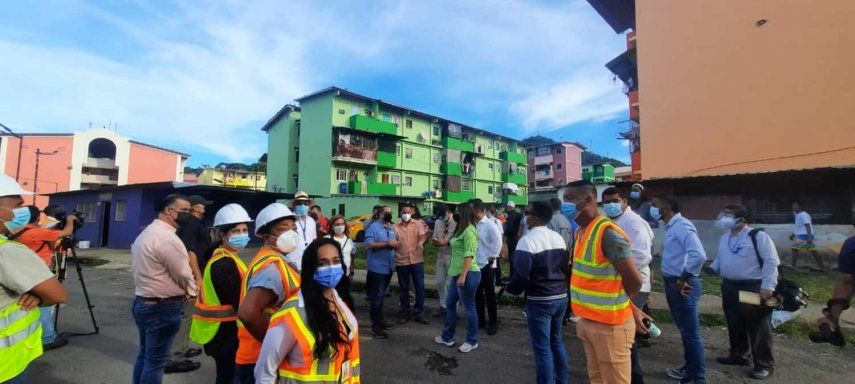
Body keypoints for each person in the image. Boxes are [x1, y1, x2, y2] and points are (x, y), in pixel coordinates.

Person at [564, 180, 645, 384]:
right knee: (597, 378)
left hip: (610, 325)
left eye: (570, 199)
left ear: (588, 200)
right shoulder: (580, 231)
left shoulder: (607, 234)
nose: (565, 205)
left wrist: (623, 303)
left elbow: (635, 281)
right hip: (587, 320)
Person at [254, 239, 360, 383]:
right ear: (311, 268)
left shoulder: (338, 301)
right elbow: (264, 372)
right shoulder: (291, 314)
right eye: (323, 263)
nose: (331, 268)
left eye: (336, 261)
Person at [0, 175, 68, 383]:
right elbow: (58, 294)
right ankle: (49, 336)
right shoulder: (7, 251)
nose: (23, 209)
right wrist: (39, 295)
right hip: (7, 367)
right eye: (17, 205)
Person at [131, 194, 199, 384]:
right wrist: (192, 291)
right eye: (184, 211)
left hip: (144, 301)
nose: (188, 215)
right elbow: (182, 273)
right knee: (156, 362)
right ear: (169, 210)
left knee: (145, 356)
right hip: (162, 307)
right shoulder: (167, 238)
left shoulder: (148, 233)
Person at [235, 203, 302, 384]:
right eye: (283, 229)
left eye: (293, 227)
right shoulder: (271, 268)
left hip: (257, 356)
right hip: (259, 357)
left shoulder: (278, 260)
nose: (291, 233)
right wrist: (273, 346)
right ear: (266, 237)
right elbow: (247, 313)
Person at [710, 204, 779, 380]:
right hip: (730, 287)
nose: (723, 218)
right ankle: (738, 355)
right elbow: (720, 258)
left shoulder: (758, 237)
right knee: (734, 321)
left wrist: (767, 287)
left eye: (727, 215)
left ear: (741, 219)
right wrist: (711, 268)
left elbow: (771, 262)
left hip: (752, 287)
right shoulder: (725, 237)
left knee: (757, 325)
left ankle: (763, 364)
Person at [506, 201, 569, 384]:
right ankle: (562, 380)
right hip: (561, 296)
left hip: (540, 299)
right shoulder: (558, 238)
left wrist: (511, 289)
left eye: (527, 214)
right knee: (556, 341)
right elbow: (564, 267)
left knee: (542, 349)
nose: (525, 217)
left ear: (533, 218)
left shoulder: (526, 241)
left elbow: (521, 276)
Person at [188, 203, 251, 384]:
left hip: (222, 333)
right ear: (223, 235)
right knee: (229, 377)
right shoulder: (224, 263)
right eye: (236, 231)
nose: (242, 235)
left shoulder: (227, 256)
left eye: (244, 230)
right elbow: (239, 302)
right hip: (224, 334)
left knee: (226, 376)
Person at [651, 195, 707, 384]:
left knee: (690, 333)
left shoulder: (682, 226)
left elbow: (699, 255)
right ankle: (690, 368)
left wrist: (684, 278)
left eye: (655, 205)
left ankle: (697, 377)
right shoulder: (671, 227)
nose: (652, 208)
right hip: (673, 283)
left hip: (682, 284)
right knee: (685, 331)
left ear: (666, 207)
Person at [601, 187, 654, 384]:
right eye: (606, 202)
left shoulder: (634, 223)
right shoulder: (611, 221)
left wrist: (617, 271)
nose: (610, 205)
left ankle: (633, 377)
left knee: (624, 334)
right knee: (621, 333)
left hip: (633, 284)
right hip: (618, 283)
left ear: (625, 202)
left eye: (614, 201)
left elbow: (641, 256)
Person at [10, 205, 76, 350]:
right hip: (38, 271)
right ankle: (47, 337)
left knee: (25, 302)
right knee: (45, 303)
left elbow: (51, 246)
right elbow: (67, 232)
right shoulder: (38, 232)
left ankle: (29, 333)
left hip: (21, 270)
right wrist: (70, 220)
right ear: (37, 218)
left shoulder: (14, 231)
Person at [172, 195, 213, 370]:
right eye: (203, 206)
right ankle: (175, 356)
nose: (205, 208)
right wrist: (197, 276)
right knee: (186, 314)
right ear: (196, 208)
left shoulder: (195, 224)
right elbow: (190, 252)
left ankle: (182, 347)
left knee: (189, 314)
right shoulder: (191, 225)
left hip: (194, 272)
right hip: (191, 274)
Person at [434, 203, 481, 353]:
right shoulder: (460, 229)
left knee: (469, 308)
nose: (455, 214)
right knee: (450, 303)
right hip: (456, 273)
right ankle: (447, 336)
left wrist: (463, 276)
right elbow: (453, 243)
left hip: (468, 274)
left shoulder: (470, 231)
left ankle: (472, 340)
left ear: (464, 213)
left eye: (458, 212)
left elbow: (469, 256)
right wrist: (442, 242)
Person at [811, 215, 854, 346]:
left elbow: (846, 280)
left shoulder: (850, 244)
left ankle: (830, 322)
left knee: (847, 279)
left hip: (851, 246)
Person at [365, 205, 398, 338]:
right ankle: (375, 326)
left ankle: (380, 320)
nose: (389, 214)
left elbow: (393, 243)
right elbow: (369, 244)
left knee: (381, 296)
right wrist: (387, 244)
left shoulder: (390, 228)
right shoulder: (373, 227)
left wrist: (395, 245)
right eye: (386, 213)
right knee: (377, 298)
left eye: (391, 212)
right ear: (380, 214)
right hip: (377, 268)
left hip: (388, 267)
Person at [394, 203, 429, 325]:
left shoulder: (418, 223)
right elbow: (392, 241)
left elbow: (423, 236)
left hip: (417, 260)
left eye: (408, 212)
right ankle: (405, 313)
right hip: (401, 261)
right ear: (400, 213)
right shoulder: (395, 227)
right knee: (403, 288)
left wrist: (421, 242)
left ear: (412, 212)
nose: (406, 214)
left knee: (420, 287)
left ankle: (418, 313)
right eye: (404, 212)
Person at [473, 200, 502, 335]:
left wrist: (492, 258)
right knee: (477, 294)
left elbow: (498, 242)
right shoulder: (473, 224)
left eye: (471, 209)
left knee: (490, 295)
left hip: (487, 265)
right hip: (475, 264)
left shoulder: (490, 225)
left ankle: (493, 323)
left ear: (478, 210)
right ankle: (481, 321)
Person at [325, 215, 356, 311]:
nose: (340, 226)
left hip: (345, 275)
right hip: (331, 276)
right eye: (337, 224)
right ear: (332, 226)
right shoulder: (327, 239)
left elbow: (351, 257)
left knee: (344, 300)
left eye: (342, 224)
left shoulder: (349, 240)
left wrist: (351, 272)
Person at [431, 204, 456, 317]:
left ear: (448, 212)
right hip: (441, 255)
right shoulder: (438, 222)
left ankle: (452, 308)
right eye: (439, 216)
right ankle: (443, 305)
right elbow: (435, 236)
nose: (442, 218)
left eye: (443, 215)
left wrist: (446, 243)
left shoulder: (456, 222)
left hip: (452, 256)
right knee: (439, 282)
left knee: (450, 284)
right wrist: (435, 241)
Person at [790, 201, 824, 270]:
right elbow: (798, 227)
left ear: (800, 207)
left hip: (804, 236)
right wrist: (793, 234)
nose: (793, 207)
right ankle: (821, 267)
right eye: (793, 205)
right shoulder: (797, 215)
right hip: (802, 235)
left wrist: (809, 236)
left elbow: (807, 225)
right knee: (813, 250)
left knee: (795, 249)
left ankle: (793, 266)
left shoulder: (803, 215)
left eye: (795, 205)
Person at [290, 191, 318, 271]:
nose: (303, 206)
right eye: (299, 203)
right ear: (294, 205)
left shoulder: (311, 221)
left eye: (305, 204)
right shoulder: (290, 220)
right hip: (293, 263)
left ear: (309, 206)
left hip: (309, 262)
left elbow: (313, 240)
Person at [503, 201, 523, 279]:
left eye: (507, 207)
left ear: (511, 207)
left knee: (513, 258)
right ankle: (512, 275)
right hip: (512, 238)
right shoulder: (509, 215)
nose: (506, 208)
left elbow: (511, 228)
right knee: (512, 257)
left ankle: (513, 275)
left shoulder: (516, 215)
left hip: (514, 238)